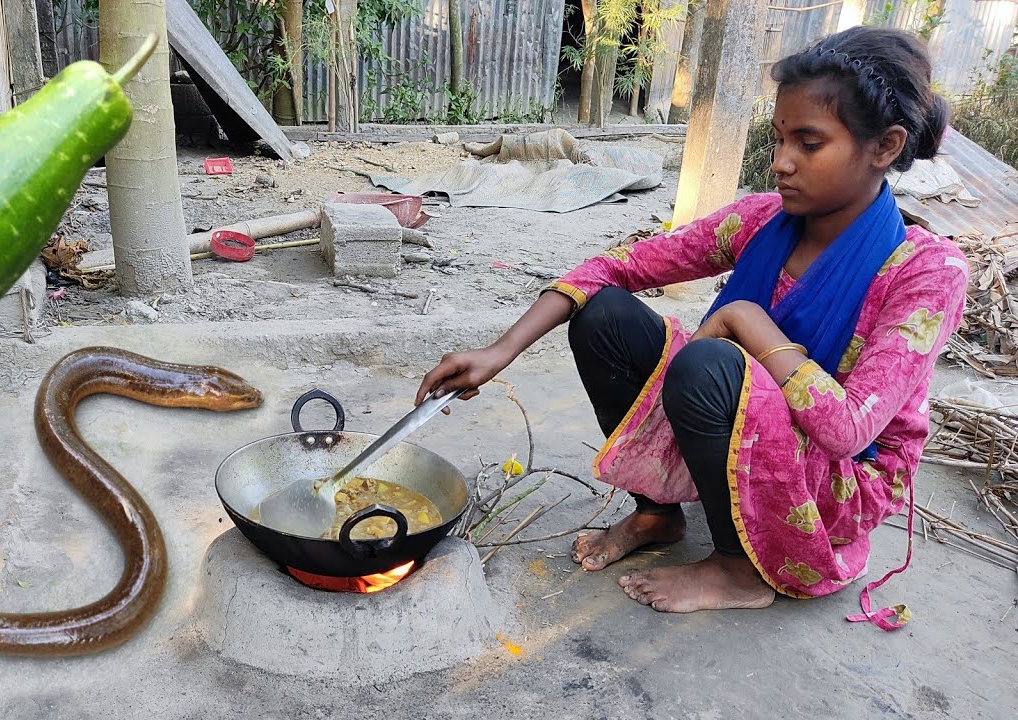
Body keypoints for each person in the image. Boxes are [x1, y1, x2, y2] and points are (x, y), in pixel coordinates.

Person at [415, 27, 968, 621]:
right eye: (780, 138)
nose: (781, 163)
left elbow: (850, 431)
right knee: (603, 316)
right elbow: (612, 268)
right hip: (753, 422)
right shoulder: (762, 221)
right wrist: (500, 353)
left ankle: (739, 568)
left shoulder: (926, 272)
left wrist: (745, 318)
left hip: (839, 481)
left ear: (884, 147)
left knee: (711, 363)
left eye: (809, 143)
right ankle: (656, 512)